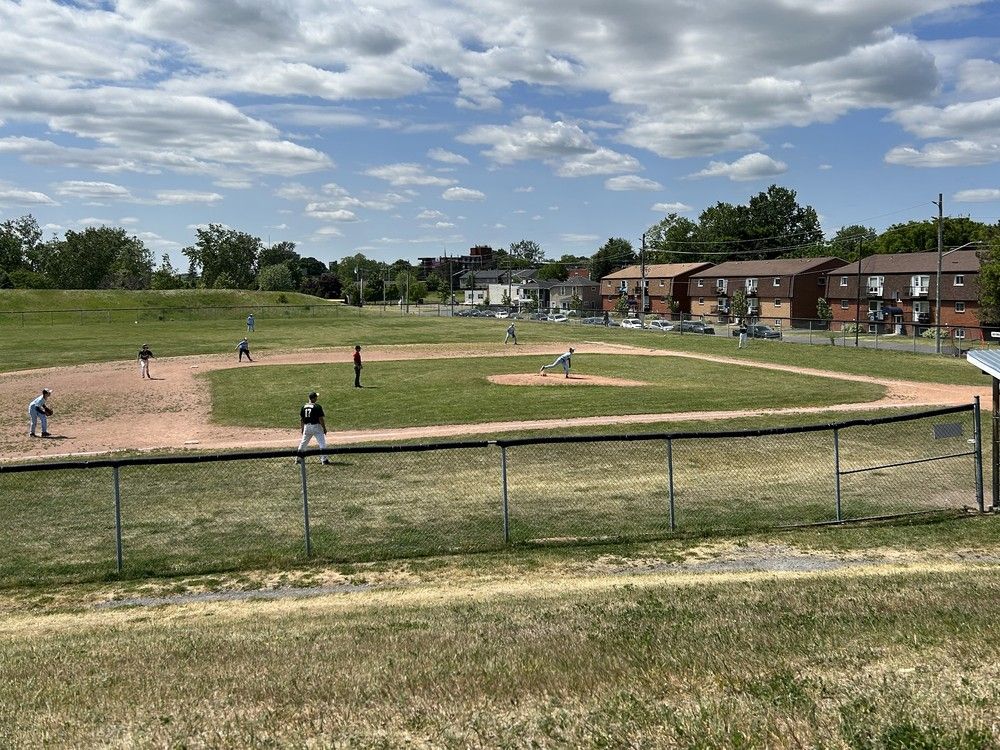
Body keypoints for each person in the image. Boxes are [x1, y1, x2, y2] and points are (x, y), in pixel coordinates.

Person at [297, 391, 330, 465]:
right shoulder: (317, 407)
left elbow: (302, 420)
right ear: (314, 398)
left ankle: (298, 459)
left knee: (303, 443)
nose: (317, 398)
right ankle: (324, 460)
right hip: (316, 427)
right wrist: (324, 428)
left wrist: (302, 429)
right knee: (322, 443)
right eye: (316, 397)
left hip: (306, 427)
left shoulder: (303, 407)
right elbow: (320, 419)